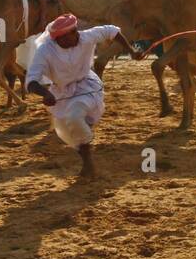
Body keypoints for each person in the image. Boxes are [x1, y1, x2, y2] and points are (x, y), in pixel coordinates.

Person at [26, 13, 143, 180]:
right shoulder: (45, 50)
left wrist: (131, 51)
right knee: (69, 131)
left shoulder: (86, 37)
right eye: (66, 36)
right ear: (57, 38)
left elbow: (112, 31)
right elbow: (31, 80)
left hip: (87, 86)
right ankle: (86, 146)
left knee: (74, 117)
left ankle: (89, 164)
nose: (75, 36)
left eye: (74, 33)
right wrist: (45, 93)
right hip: (61, 93)